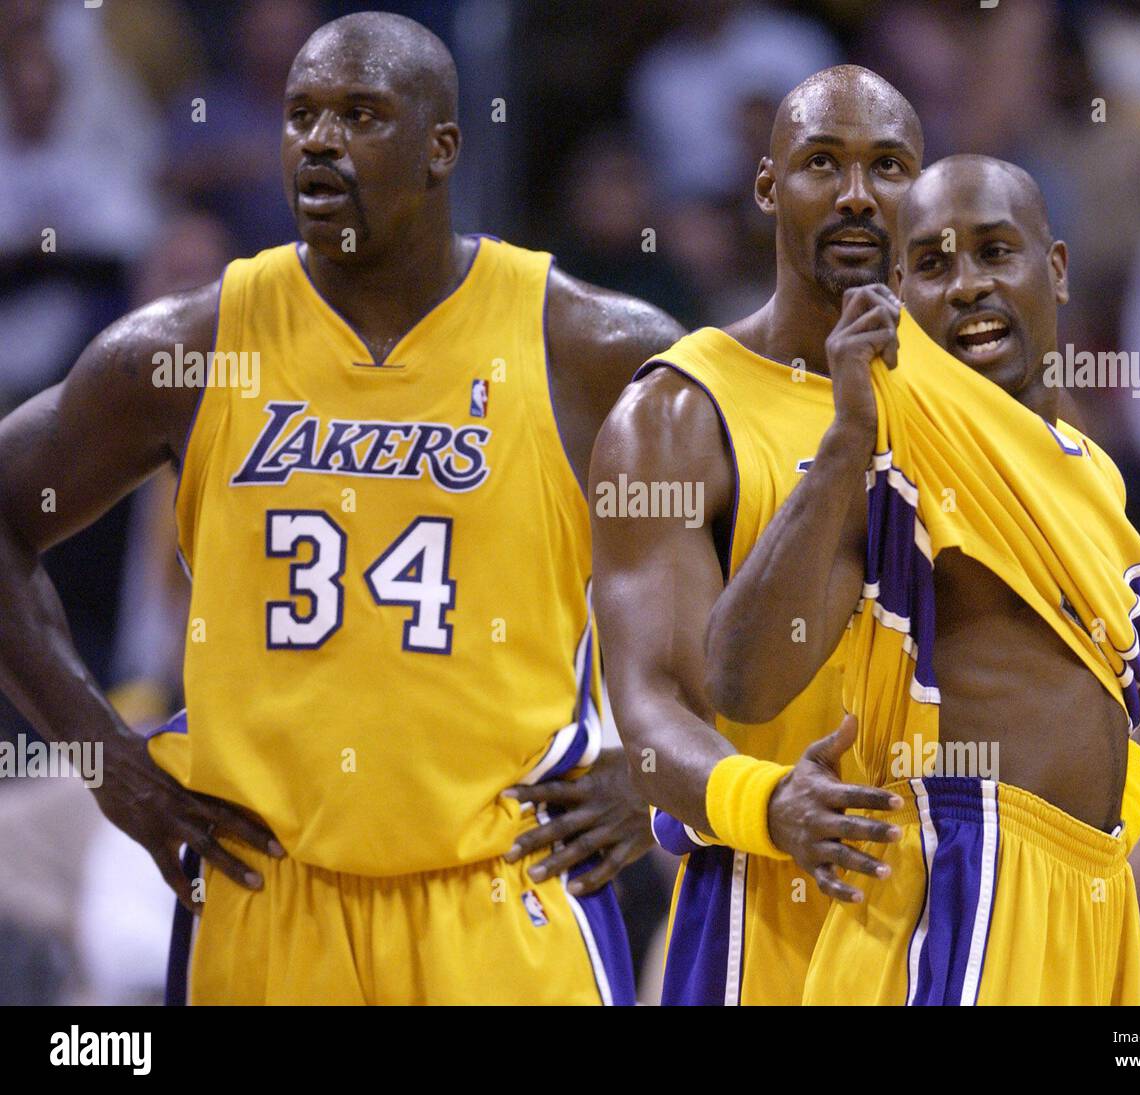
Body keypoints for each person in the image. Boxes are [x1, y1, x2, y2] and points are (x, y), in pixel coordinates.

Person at [0, 12, 681, 1005]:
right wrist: (110, 764)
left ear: (442, 147)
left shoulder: (587, 345)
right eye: (300, 116)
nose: (319, 140)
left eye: (360, 114)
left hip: (502, 895)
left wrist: (661, 771)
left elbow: (777, 540)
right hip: (265, 898)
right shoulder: (189, 350)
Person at [704, 152, 1140, 1005]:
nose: (968, 284)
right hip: (963, 877)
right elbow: (740, 679)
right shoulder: (888, 449)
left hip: (1093, 890)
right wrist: (841, 444)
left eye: (993, 252)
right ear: (901, 293)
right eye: (935, 265)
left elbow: (1118, 630)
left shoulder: (1087, 463)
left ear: (1053, 271)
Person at [591, 65, 921, 1006]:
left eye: (888, 167)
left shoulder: (973, 400)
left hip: (966, 902)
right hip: (769, 907)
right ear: (768, 186)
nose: (858, 195)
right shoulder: (674, 415)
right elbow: (649, 720)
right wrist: (769, 802)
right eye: (824, 163)